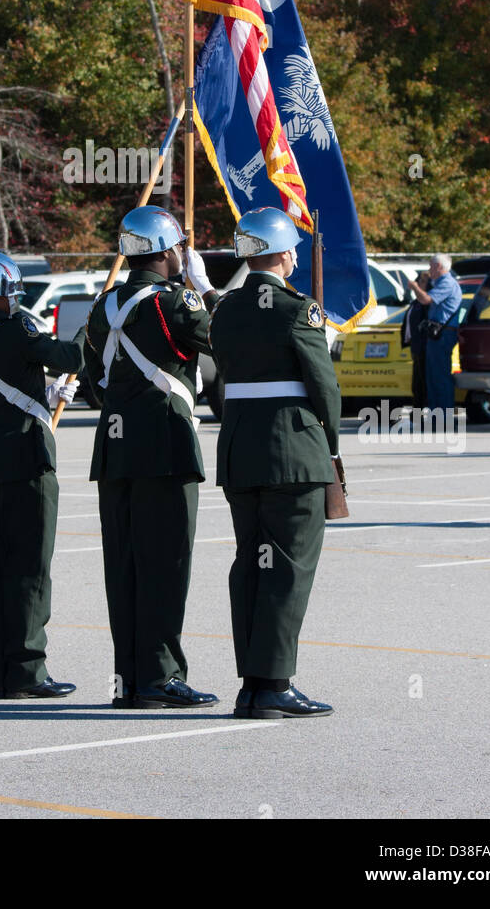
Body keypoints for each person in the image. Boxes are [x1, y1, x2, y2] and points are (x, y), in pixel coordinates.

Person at [82, 206, 219, 710]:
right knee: (165, 563)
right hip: (164, 444)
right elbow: (226, 338)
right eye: (180, 247)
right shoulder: (174, 302)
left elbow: (92, 373)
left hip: (115, 450)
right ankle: (160, 677)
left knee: (125, 568)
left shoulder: (103, 306)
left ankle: (130, 679)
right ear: (167, 251)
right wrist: (204, 289)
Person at [207, 207, 339, 720]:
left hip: (242, 451)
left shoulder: (226, 309)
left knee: (252, 567)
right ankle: (276, 685)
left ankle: (252, 684)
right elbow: (324, 388)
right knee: (287, 570)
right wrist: (329, 440)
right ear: (284, 253)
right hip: (294, 452)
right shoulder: (297, 309)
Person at [0, 251, 82, 699]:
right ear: (6, 292)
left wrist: (42, 391)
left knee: (3, 569)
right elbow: (71, 355)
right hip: (27, 458)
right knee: (30, 569)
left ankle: (4, 672)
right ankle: (28, 671)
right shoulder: (19, 328)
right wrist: (87, 328)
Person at [407, 255, 462, 417]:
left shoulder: (446, 283)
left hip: (443, 334)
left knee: (440, 377)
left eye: (431, 266)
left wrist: (415, 287)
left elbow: (426, 300)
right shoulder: (439, 283)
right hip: (436, 335)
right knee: (432, 377)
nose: (429, 270)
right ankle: (436, 414)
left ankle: (443, 416)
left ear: (439, 266)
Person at [400, 270, 431, 408]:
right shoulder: (415, 303)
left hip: (424, 347)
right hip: (415, 347)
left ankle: (421, 414)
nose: (418, 284)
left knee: (423, 384)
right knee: (416, 384)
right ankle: (417, 415)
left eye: (422, 282)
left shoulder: (427, 303)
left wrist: (415, 288)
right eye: (418, 281)